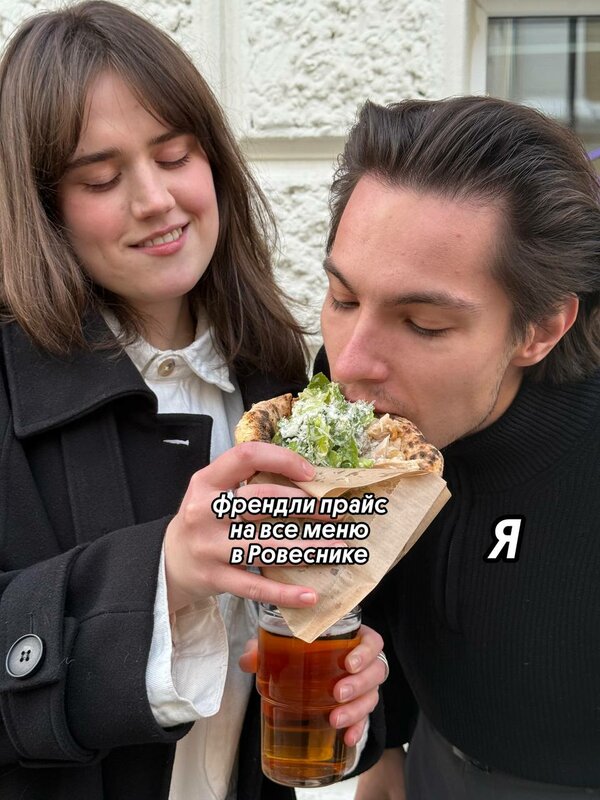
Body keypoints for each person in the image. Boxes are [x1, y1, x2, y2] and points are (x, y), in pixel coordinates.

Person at [0, 3, 387, 799]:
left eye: (174, 155)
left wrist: (358, 690)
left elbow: (325, 619)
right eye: (101, 178)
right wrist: (162, 578)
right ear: (43, 206)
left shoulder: (280, 379)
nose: (154, 198)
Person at [313, 96, 600, 799]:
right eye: (343, 299)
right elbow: (369, 581)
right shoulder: (349, 400)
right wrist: (385, 747)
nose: (351, 363)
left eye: (424, 324)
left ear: (542, 328)